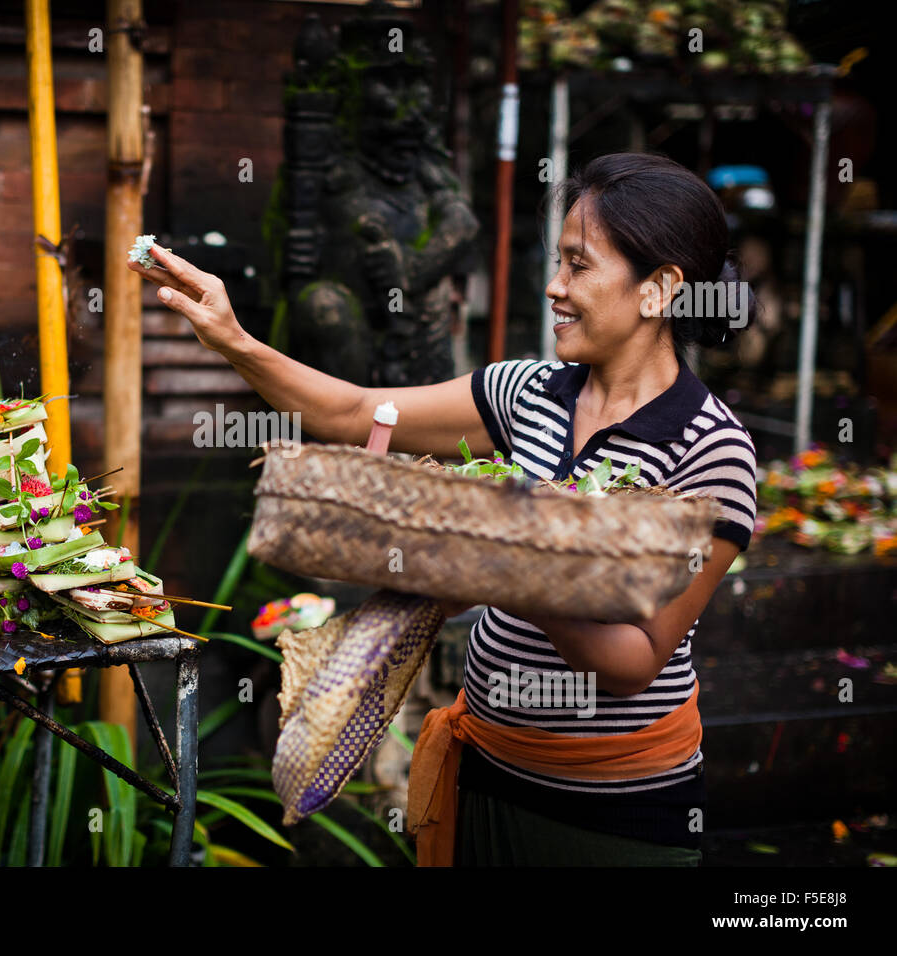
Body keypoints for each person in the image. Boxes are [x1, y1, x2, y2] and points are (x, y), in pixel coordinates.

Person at [128, 152, 758, 866]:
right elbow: (357, 411)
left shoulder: (714, 451)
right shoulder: (529, 394)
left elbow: (632, 665)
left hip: (612, 814)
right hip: (487, 772)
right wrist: (233, 341)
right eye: (558, 262)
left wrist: (503, 560)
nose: (554, 287)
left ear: (660, 289)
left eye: (580, 267)